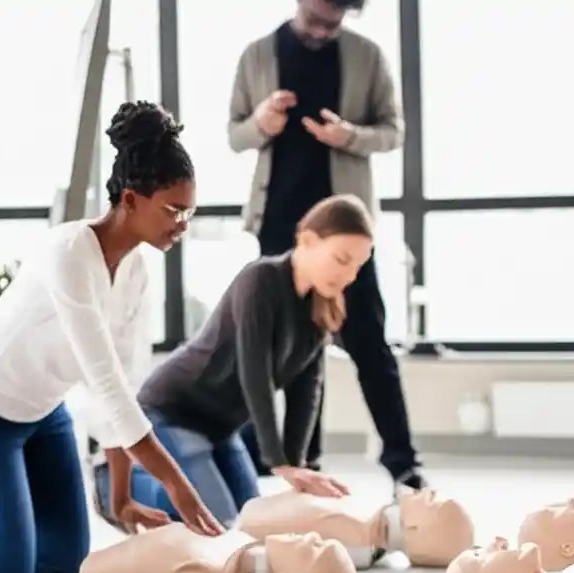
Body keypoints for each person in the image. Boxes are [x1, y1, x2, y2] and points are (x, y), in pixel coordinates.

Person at [0, 101, 224, 573]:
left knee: (67, 560)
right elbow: (105, 383)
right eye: (174, 210)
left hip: (44, 414)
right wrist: (178, 486)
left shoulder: (135, 270)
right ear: (131, 199)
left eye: (189, 211)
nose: (182, 224)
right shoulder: (69, 254)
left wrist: (123, 498)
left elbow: (122, 390)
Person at [228, 0, 426, 496]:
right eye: (317, 16)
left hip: (347, 230)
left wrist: (349, 135)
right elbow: (235, 134)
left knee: (369, 346)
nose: (323, 27)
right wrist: (262, 125)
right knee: (290, 351)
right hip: (279, 227)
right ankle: (302, 461)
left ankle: (402, 463)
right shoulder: (257, 54)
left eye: (335, 20)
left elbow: (394, 130)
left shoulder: (367, 56)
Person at [94, 194, 370, 528]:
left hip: (220, 428)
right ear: (307, 240)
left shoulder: (321, 309)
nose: (350, 275)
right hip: (171, 410)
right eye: (342, 259)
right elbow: (255, 373)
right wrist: (278, 463)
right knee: (216, 523)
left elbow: (307, 391)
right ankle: (111, 482)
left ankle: (165, 476)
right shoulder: (261, 280)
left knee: (248, 519)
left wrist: (296, 465)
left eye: (358, 265)